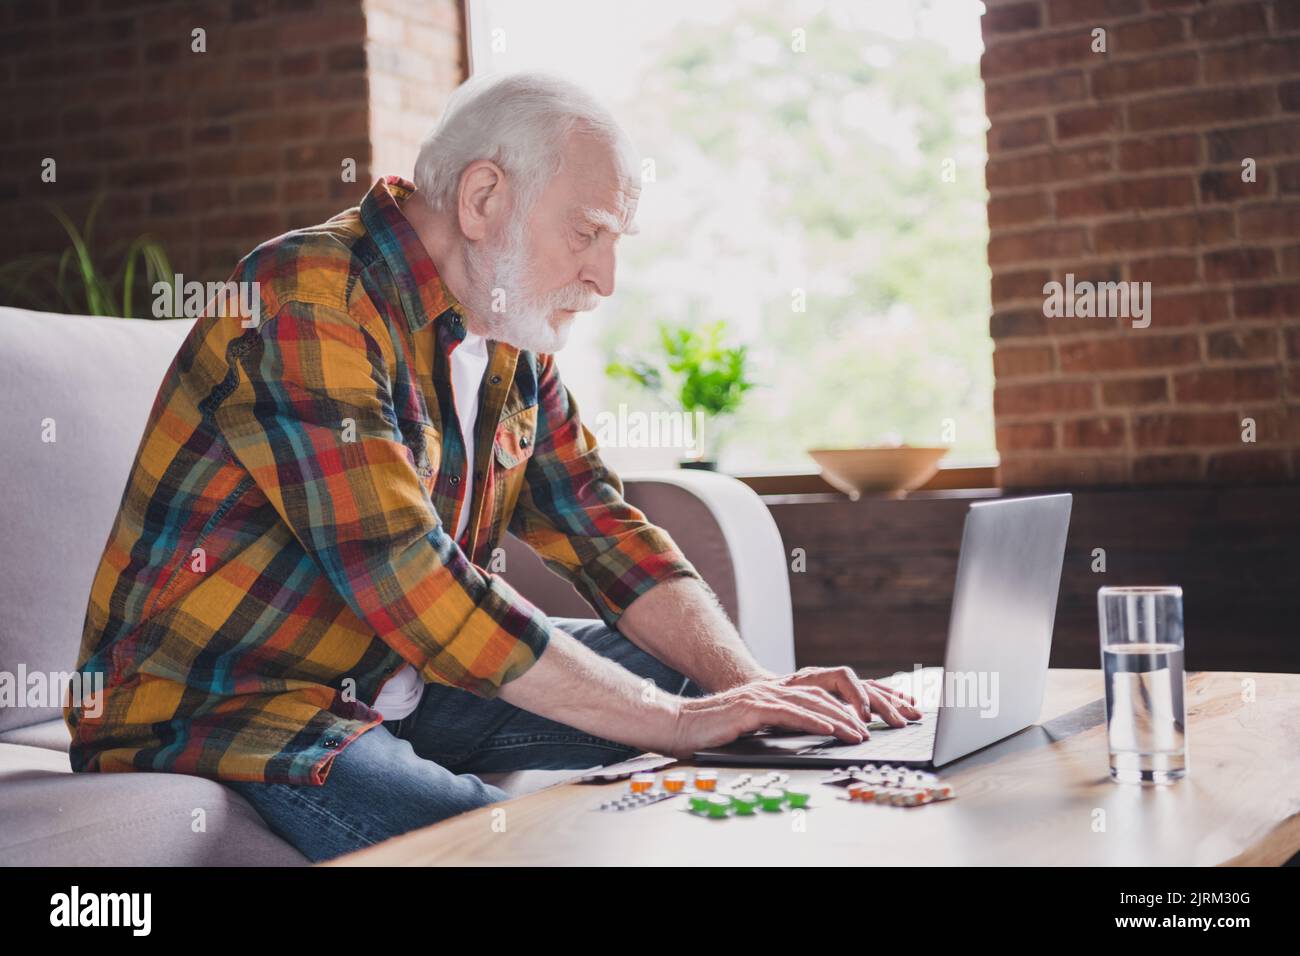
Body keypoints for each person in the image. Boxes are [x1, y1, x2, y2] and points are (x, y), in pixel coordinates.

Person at [65, 71, 920, 863]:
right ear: (482, 198)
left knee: (714, 691)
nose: (606, 277)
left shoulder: (508, 335)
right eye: (587, 233)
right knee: (509, 841)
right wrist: (680, 721)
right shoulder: (304, 300)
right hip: (229, 706)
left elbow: (600, 524)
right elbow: (415, 583)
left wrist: (753, 689)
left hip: (396, 680)